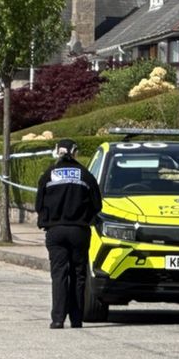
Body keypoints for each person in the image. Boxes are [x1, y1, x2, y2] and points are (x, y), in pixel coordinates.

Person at [35, 138, 102, 329]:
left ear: (58, 152)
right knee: (79, 274)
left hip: (55, 231)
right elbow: (97, 204)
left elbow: (39, 204)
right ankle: (76, 319)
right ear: (75, 152)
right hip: (79, 231)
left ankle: (57, 319)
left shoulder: (48, 174)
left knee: (59, 274)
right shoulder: (86, 175)